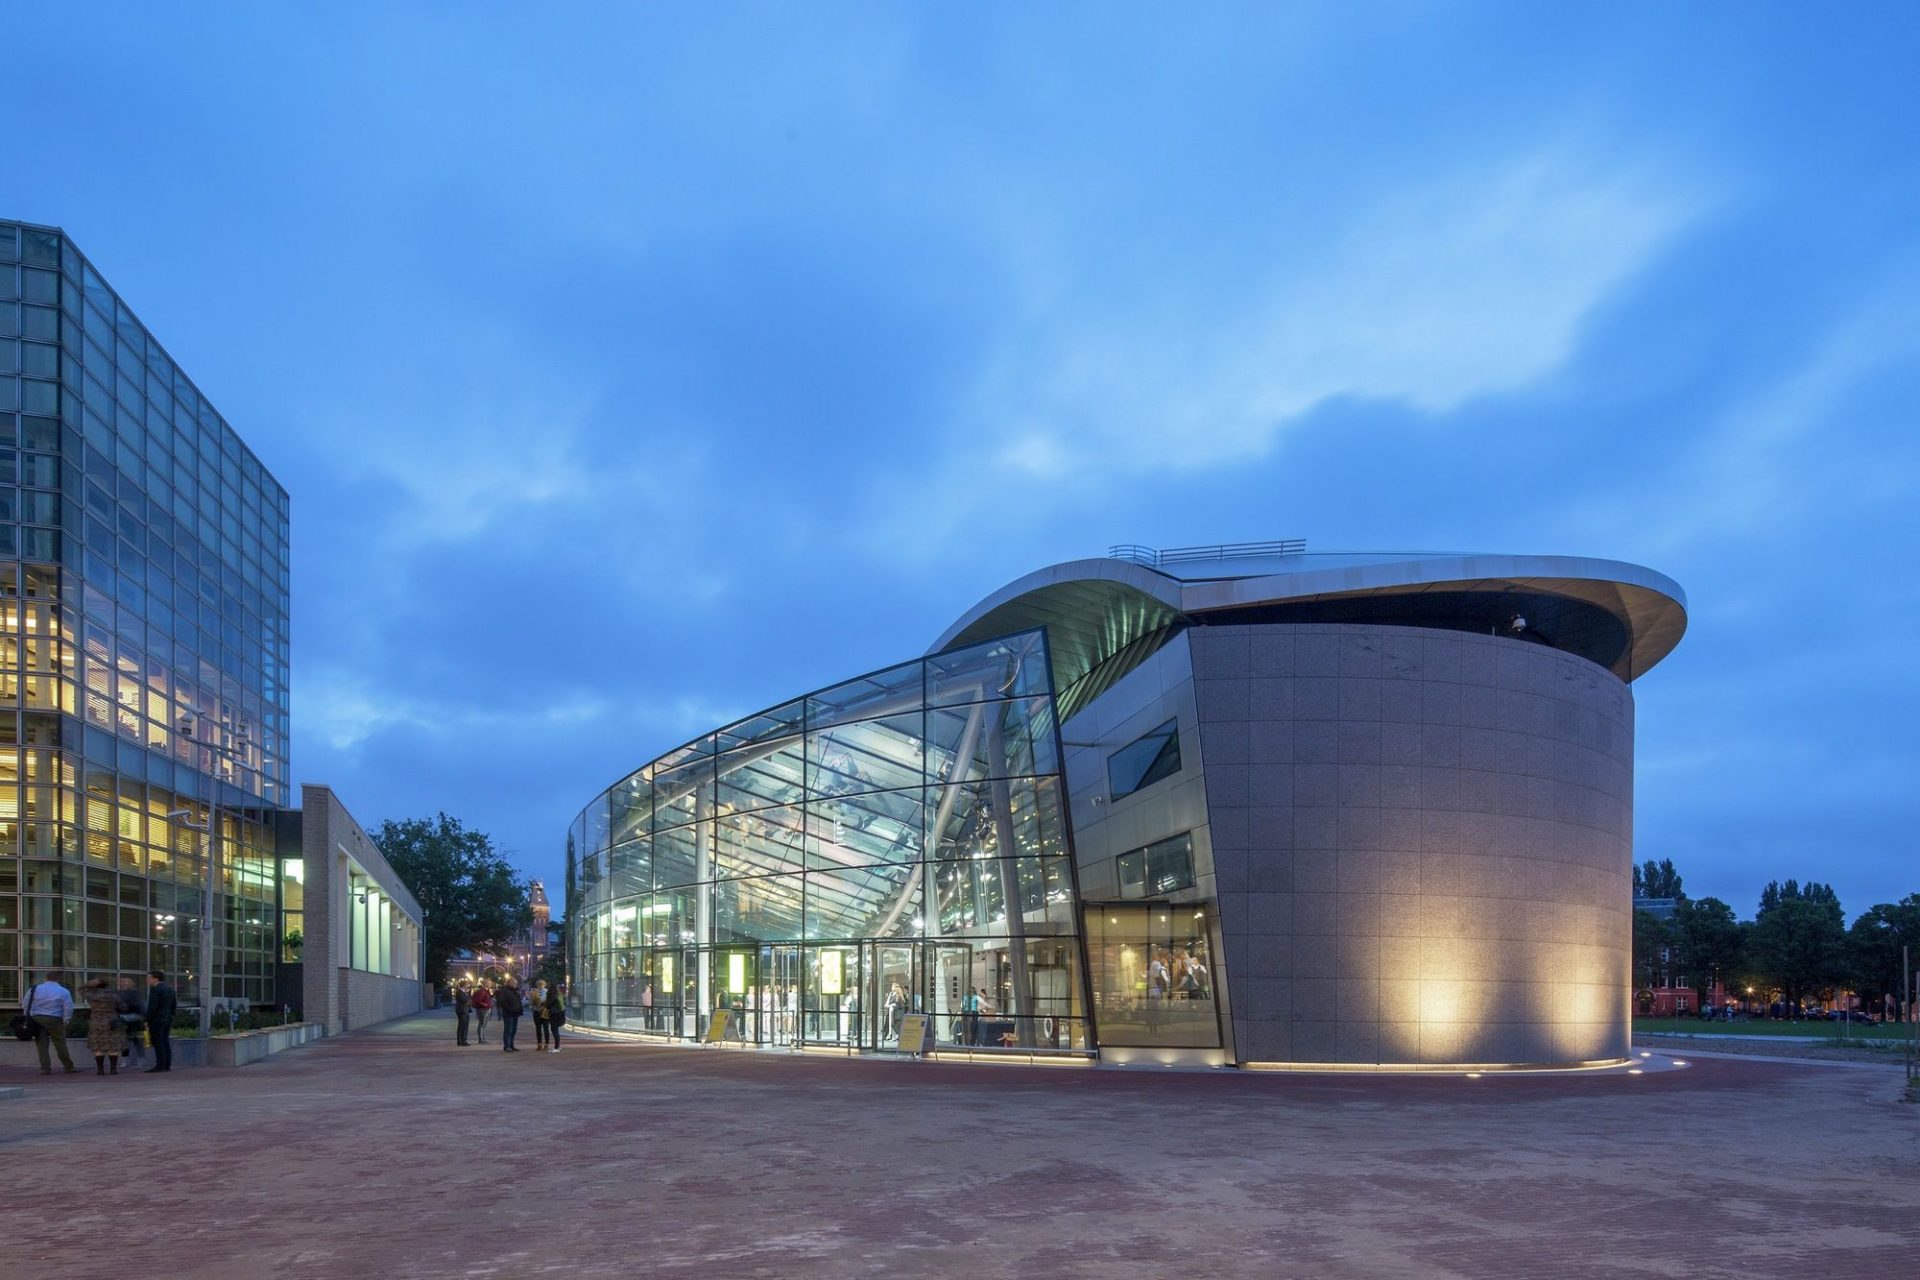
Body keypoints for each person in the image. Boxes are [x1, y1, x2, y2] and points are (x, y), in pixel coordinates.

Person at [23, 969, 78, 1075]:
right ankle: (68, 1066)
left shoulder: (35, 989)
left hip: (37, 1019)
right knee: (60, 1043)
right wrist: (66, 1019)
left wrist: (28, 1015)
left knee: (42, 1044)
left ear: (45, 978)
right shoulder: (63, 991)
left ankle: (45, 1068)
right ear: (58, 979)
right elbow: (68, 1007)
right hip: (55, 1019)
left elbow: (26, 1002)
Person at [83, 978, 128, 1075]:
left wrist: (89, 984)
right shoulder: (113, 995)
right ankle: (113, 1069)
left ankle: (100, 1069)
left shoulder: (91, 995)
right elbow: (123, 1007)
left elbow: (81, 990)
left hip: (96, 1021)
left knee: (98, 1045)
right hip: (112, 1020)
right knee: (113, 1045)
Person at [145, 969, 177, 1073]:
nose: (148, 980)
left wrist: (147, 1019)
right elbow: (173, 1006)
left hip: (157, 1020)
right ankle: (167, 1064)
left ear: (155, 978)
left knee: (158, 1042)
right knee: (165, 1041)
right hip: (167, 1018)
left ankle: (160, 1065)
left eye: (149, 978)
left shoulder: (155, 990)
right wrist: (171, 1016)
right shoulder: (170, 989)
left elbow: (152, 1007)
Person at [115, 976, 147, 1069]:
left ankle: (141, 1060)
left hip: (135, 1020)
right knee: (124, 1042)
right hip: (122, 1019)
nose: (123, 983)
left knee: (138, 1041)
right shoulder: (118, 993)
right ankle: (125, 1061)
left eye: (125, 981)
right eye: (122, 981)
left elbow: (141, 1007)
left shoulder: (135, 994)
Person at [496, 978, 524, 1052]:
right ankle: (507, 1046)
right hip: (508, 1014)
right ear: (509, 983)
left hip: (515, 1013)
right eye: (514, 983)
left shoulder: (514, 991)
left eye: (516, 983)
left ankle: (511, 1045)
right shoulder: (505, 991)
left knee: (514, 1030)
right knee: (508, 1030)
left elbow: (517, 1001)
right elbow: (502, 1002)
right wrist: (510, 1009)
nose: (516, 984)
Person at [530, 979, 552, 1051]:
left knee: (546, 1028)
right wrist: (534, 1006)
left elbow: (550, 1002)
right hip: (537, 1012)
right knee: (538, 1028)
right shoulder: (534, 992)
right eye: (539, 984)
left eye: (542, 984)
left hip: (545, 1013)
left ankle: (546, 1043)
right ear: (537, 985)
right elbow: (531, 1003)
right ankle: (539, 1043)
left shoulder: (547, 992)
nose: (540, 986)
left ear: (544, 985)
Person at [546, 986, 566, 1054]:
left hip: (554, 1015)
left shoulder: (552, 997)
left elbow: (548, 1005)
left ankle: (556, 1047)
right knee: (556, 1030)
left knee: (554, 1030)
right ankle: (557, 1046)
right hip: (560, 1014)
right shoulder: (559, 995)